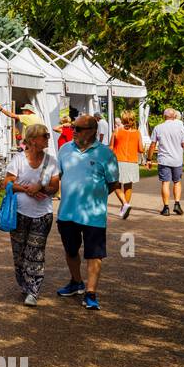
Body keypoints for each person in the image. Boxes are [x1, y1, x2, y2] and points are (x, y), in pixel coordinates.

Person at [55, 114, 125, 311]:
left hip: (94, 214)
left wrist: (95, 195)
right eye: (73, 128)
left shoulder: (106, 154)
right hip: (67, 212)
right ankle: (76, 282)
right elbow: (57, 176)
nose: (74, 132)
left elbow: (113, 183)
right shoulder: (64, 149)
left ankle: (91, 292)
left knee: (94, 254)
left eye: (78, 129)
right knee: (70, 251)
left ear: (93, 131)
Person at [6, 123, 61, 306]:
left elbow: (54, 188)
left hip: (42, 215)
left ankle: (33, 290)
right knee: (19, 253)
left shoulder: (51, 161)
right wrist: (26, 189)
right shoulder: (18, 160)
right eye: (44, 135)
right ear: (33, 139)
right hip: (19, 214)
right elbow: (7, 183)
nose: (47, 137)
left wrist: (42, 187)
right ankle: (24, 283)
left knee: (35, 253)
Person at [148, 107, 184, 216]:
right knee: (177, 182)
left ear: (164, 116)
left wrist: (149, 159)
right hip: (177, 160)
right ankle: (177, 204)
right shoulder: (180, 128)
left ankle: (166, 208)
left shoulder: (158, 128)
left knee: (165, 183)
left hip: (164, 160)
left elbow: (153, 145)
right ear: (174, 116)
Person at [111, 112, 143, 218]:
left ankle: (125, 204)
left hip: (118, 160)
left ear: (122, 120)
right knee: (128, 186)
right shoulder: (137, 133)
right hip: (132, 161)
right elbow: (141, 149)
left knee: (115, 185)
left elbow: (111, 147)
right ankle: (124, 208)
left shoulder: (117, 131)